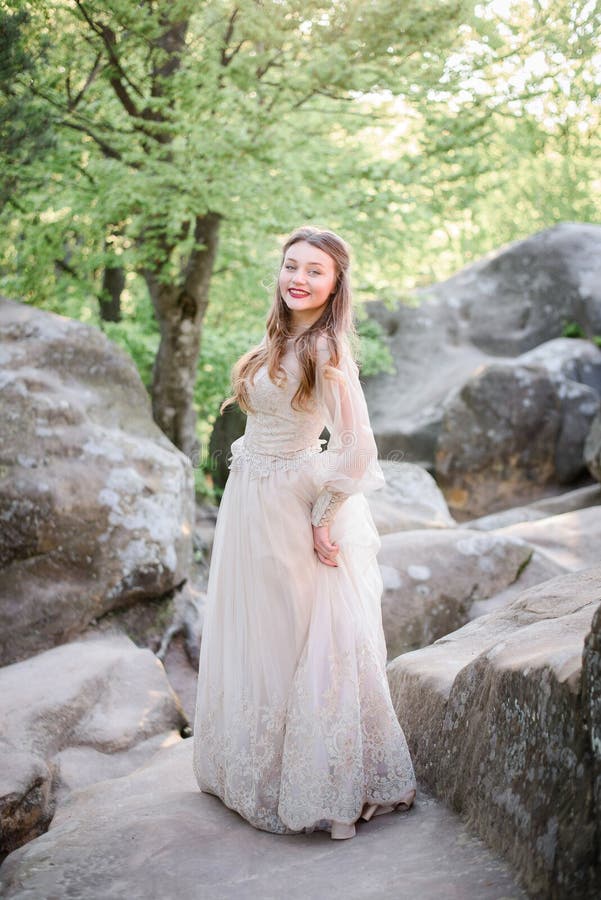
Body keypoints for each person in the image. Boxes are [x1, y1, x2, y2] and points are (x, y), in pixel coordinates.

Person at [192, 225, 417, 840]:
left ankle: (319, 779)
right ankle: (256, 767)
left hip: (289, 501)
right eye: (292, 265)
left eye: (315, 270)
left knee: (299, 636)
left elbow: (358, 449)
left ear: (336, 282)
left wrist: (322, 517)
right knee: (259, 632)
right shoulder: (282, 335)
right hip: (250, 496)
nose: (299, 278)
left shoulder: (325, 349)